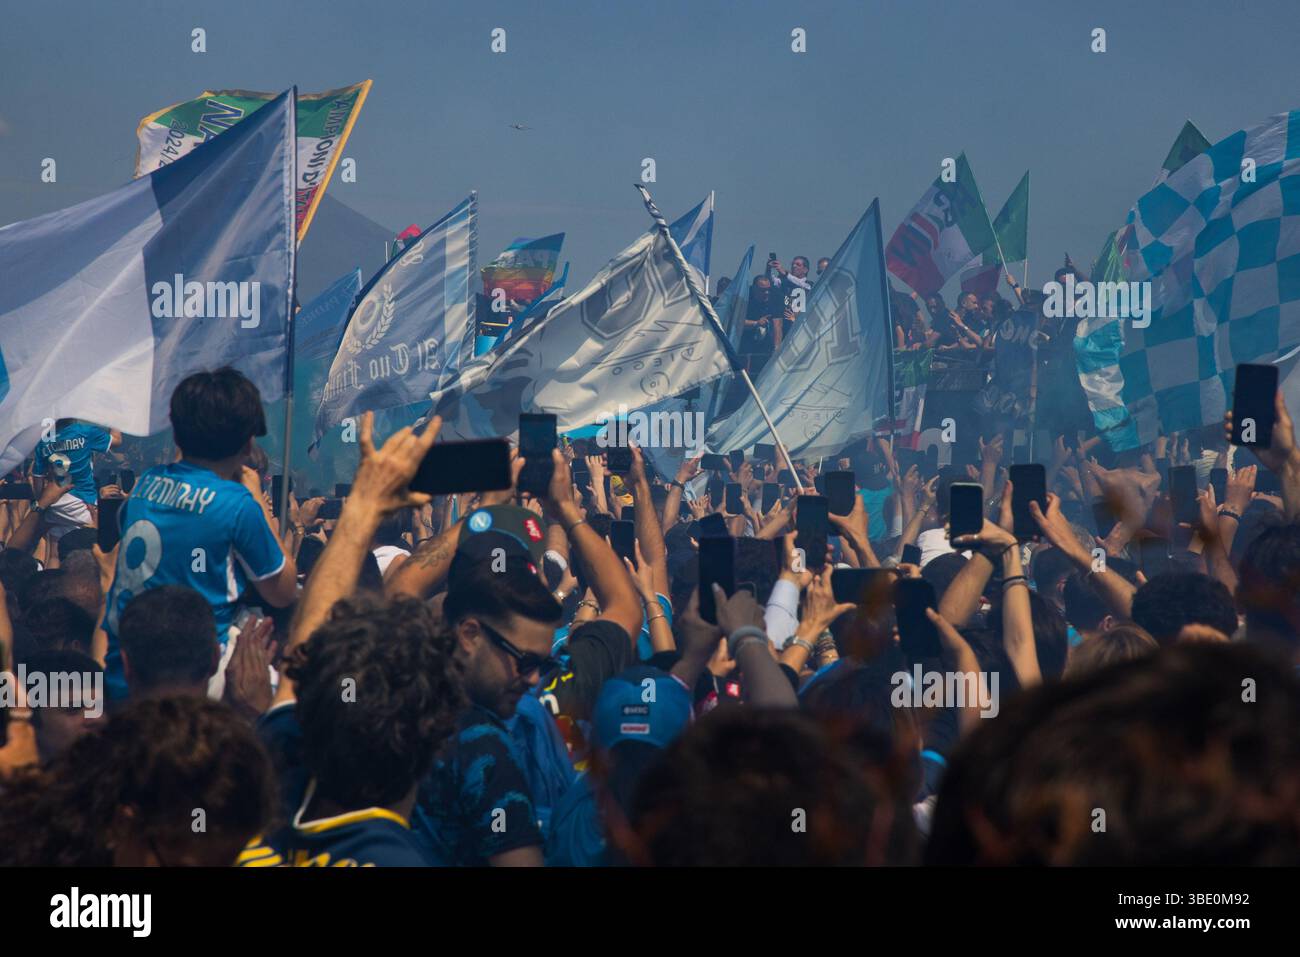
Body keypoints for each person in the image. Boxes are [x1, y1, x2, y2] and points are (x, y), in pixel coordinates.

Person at [101, 368, 297, 701]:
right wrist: (257, 501)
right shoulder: (237, 505)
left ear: (177, 436)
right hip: (195, 680)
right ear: (249, 443)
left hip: (124, 674)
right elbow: (283, 591)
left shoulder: (146, 484)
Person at [33, 418, 121, 542]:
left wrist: (41, 504)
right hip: (81, 501)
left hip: (54, 502)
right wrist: (114, 416)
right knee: (99, 541)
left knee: (55, 553)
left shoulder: (44, 440)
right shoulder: (84, 431)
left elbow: (37, 478)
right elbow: (116, 441)